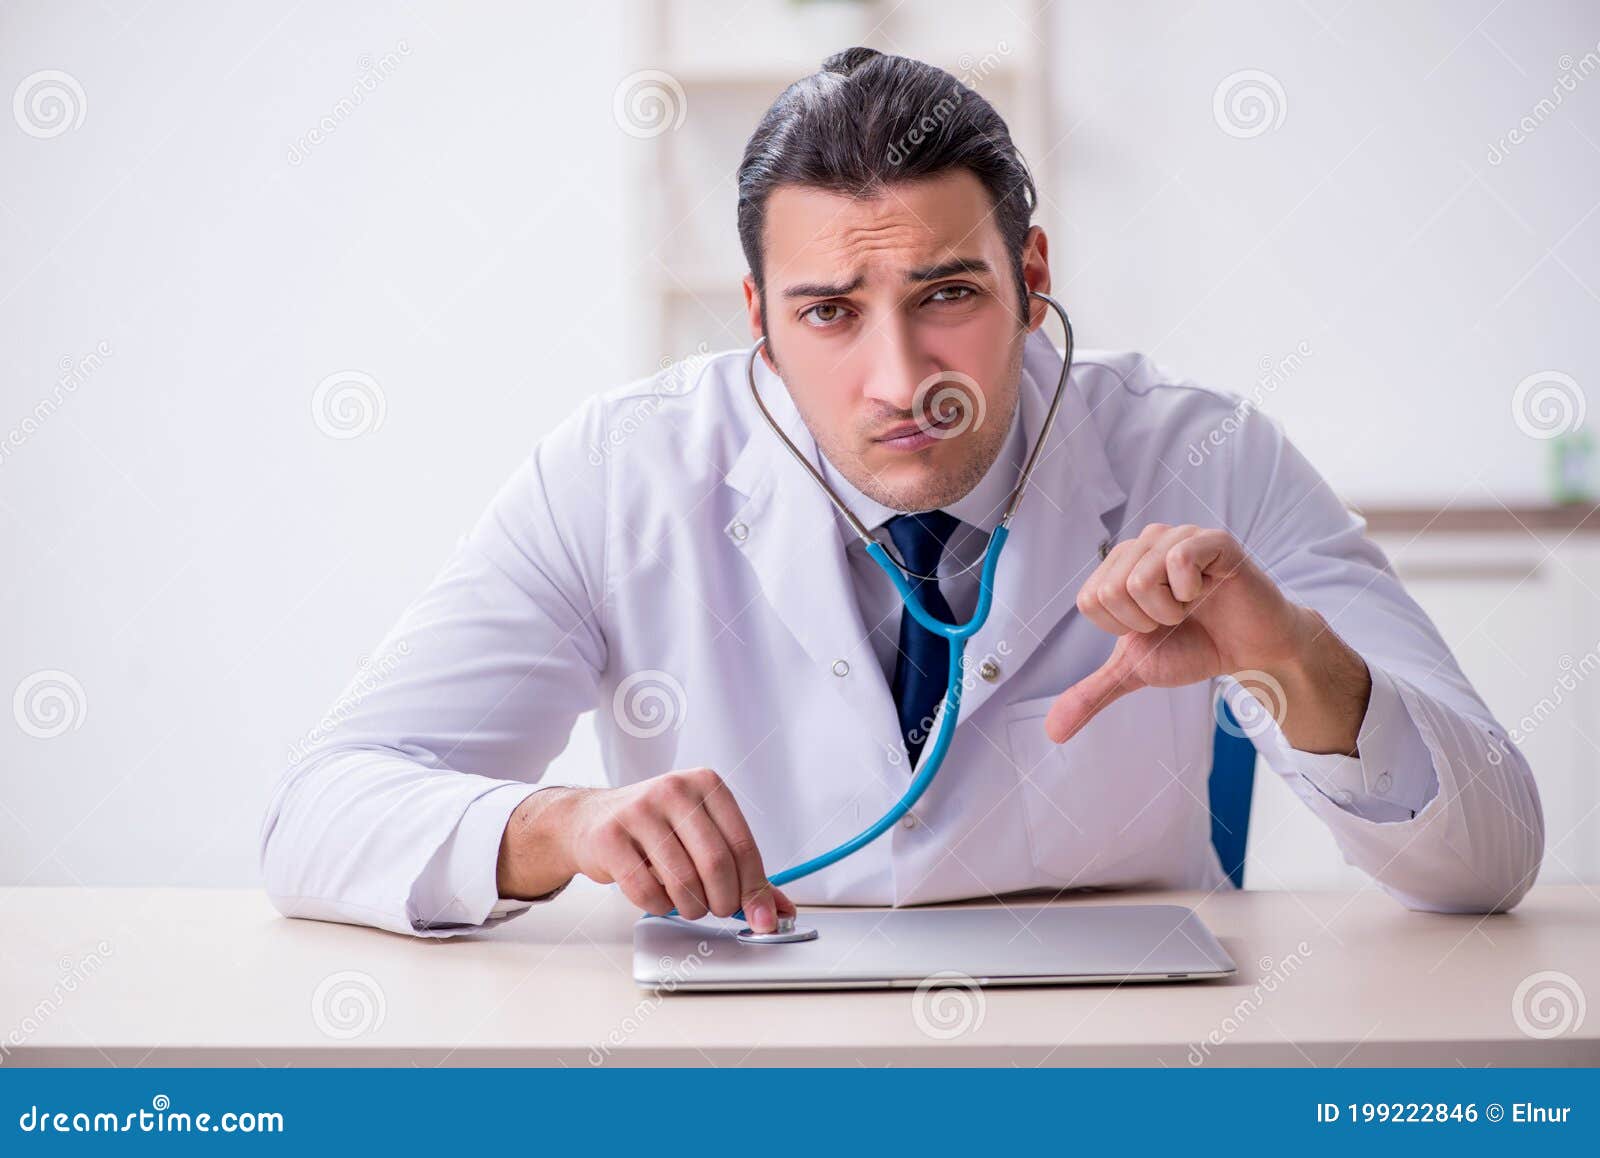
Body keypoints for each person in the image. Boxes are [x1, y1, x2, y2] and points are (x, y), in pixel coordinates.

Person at [259, 48, 1543, 939]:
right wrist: (563, 827)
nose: (900, 380)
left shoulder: (1203, 455)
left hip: (1126, 1063)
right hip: (741, 1061)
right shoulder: (617, 474)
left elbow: (1486, 862)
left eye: (947, 295)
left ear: (1030, 275)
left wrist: (1291, 661)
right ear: (757, 318)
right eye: (828, 312)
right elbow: (317, 815)